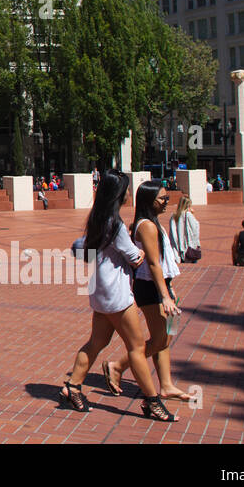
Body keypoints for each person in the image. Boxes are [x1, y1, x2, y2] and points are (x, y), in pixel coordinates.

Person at [57, 170, 176, 421]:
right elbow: (135, 257)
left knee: (96, 343)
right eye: (126, 191)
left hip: (100, 290)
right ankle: (151, 401)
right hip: (117, 294)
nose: (129, 195)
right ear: (118, 195)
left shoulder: (97, 219)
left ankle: (73, 387)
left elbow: (84, 248)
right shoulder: (116, 224)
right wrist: (138, 254)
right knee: (137, 347)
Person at [104, 181, 196, 405]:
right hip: (151, 287)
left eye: (166, 198)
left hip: (162, 285)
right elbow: (154, 263)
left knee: (167, 335)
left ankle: (166, 384)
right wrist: (165, 296)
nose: (166, 203)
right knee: (161, 338)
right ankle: (118, 365)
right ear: (148, 201)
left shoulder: (153, 223)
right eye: (162, 199)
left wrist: (169, 289)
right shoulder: (146, 225)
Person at [169, 194, 201, 263]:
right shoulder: (188, 215)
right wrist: (193, 214)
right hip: (189, 247)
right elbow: (195, 229)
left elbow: (172, 233)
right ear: (188, 205)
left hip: (178, 247)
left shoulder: (174, 216)